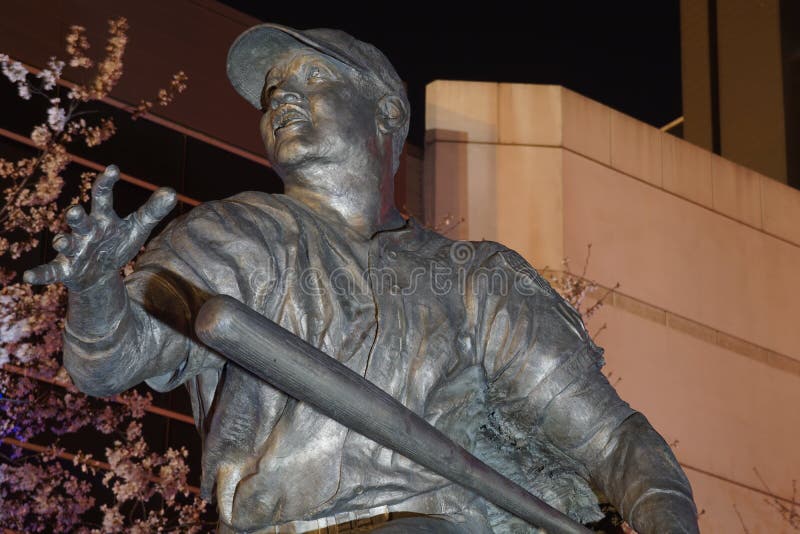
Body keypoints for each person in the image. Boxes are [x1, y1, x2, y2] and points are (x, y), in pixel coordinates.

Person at [25, 24, 699, 533]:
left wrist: (665, 515)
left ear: (386, 113)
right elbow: (113, 360)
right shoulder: (237, 236)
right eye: (273, 91)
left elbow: (613, 441)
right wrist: (95, 291)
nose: (281, 96)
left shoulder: (478, 281)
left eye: (313, 78)